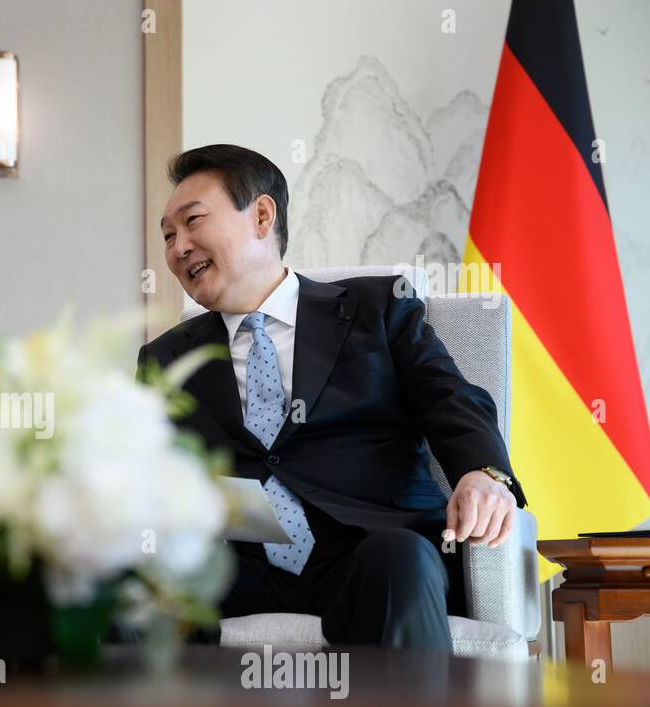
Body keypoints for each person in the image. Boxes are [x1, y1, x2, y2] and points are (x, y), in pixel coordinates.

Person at [140, 144, 526, 651]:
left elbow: (450, 398)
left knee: (399, 563)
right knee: (126, 582)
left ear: (261, 215)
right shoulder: (165, 359)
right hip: (238, 570)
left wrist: (485, 472)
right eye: (168, 237)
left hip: (370, 554)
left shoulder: (379, 307)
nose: (178, 247)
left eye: (192, 222)